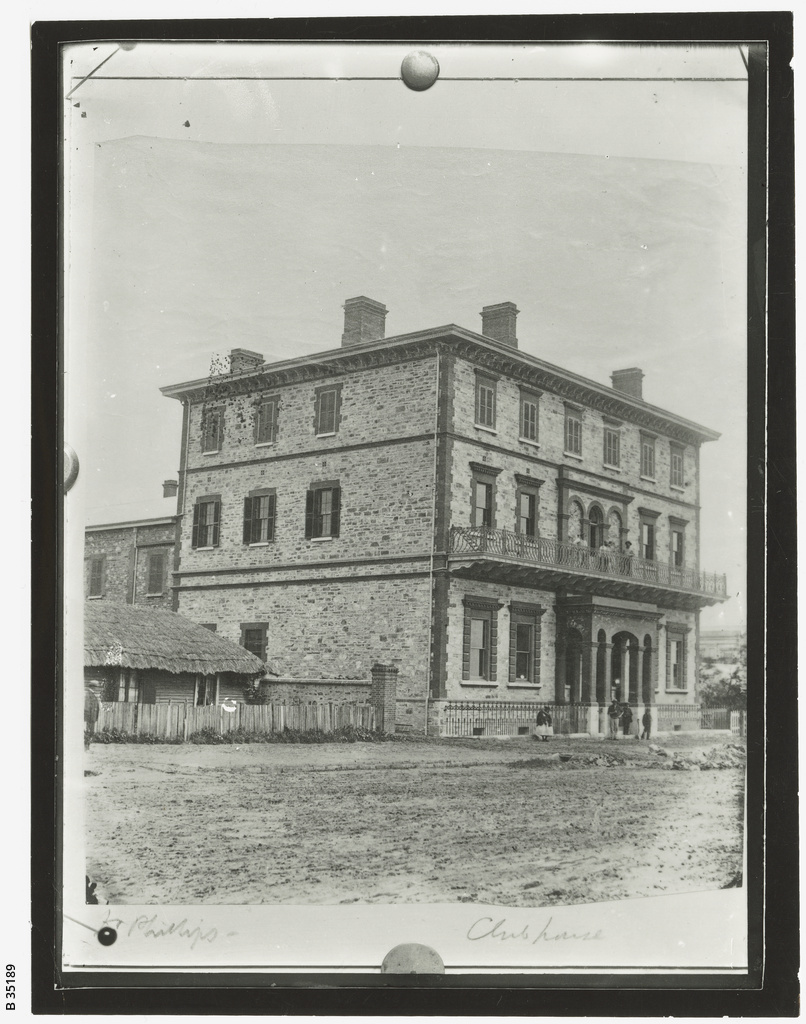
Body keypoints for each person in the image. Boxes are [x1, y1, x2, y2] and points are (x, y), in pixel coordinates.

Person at [84, 683, 100, 750]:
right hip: (90, 718)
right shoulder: (88, 694)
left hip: (92, 717)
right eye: (96, 687)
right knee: (88, 731)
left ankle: (87, 746)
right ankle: (86, 746)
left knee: (91, 732)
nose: (97, 688)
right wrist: (88, 718)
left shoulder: (92, 694)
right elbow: (87, 708)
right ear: (92, 687)